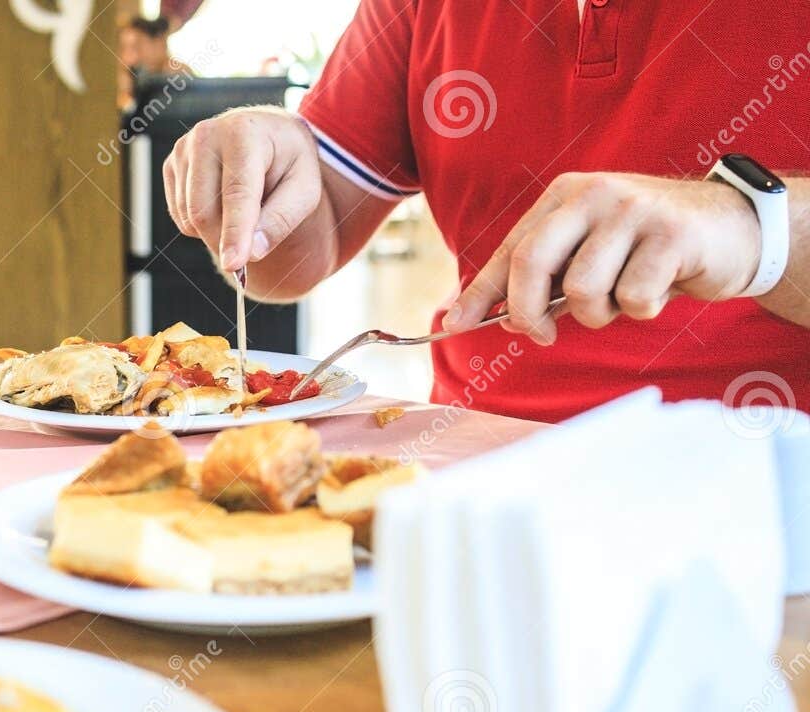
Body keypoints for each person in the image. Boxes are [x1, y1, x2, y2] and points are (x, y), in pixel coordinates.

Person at [163, 0, 810, 423]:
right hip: (470, 470)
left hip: (765, 483)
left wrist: (754, 225)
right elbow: (293, 257)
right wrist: (265, 165)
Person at [119, 16, 193, 109]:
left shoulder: (179, 72)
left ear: (159, 41)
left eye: (138, 46)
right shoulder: (130, 78)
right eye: (124, 48)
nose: (130, 57)